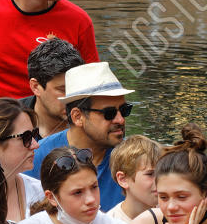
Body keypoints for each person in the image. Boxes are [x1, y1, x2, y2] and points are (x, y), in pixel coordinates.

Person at [30, 61, 132, 212]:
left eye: (124, 110)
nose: (120, 120)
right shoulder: (36, 158)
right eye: (109, 113)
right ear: (77, 117)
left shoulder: (135, 159)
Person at [24, 36, 84, 138]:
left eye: (76, 88)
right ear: (36, 87)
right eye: (63, 90)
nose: (72, 98)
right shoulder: (8, 122)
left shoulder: (97, 120)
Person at [106, 135, 163, 224]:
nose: (160, 180)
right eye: (150, 174)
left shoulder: (169, 213)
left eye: (162, 173)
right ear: (123, 179)